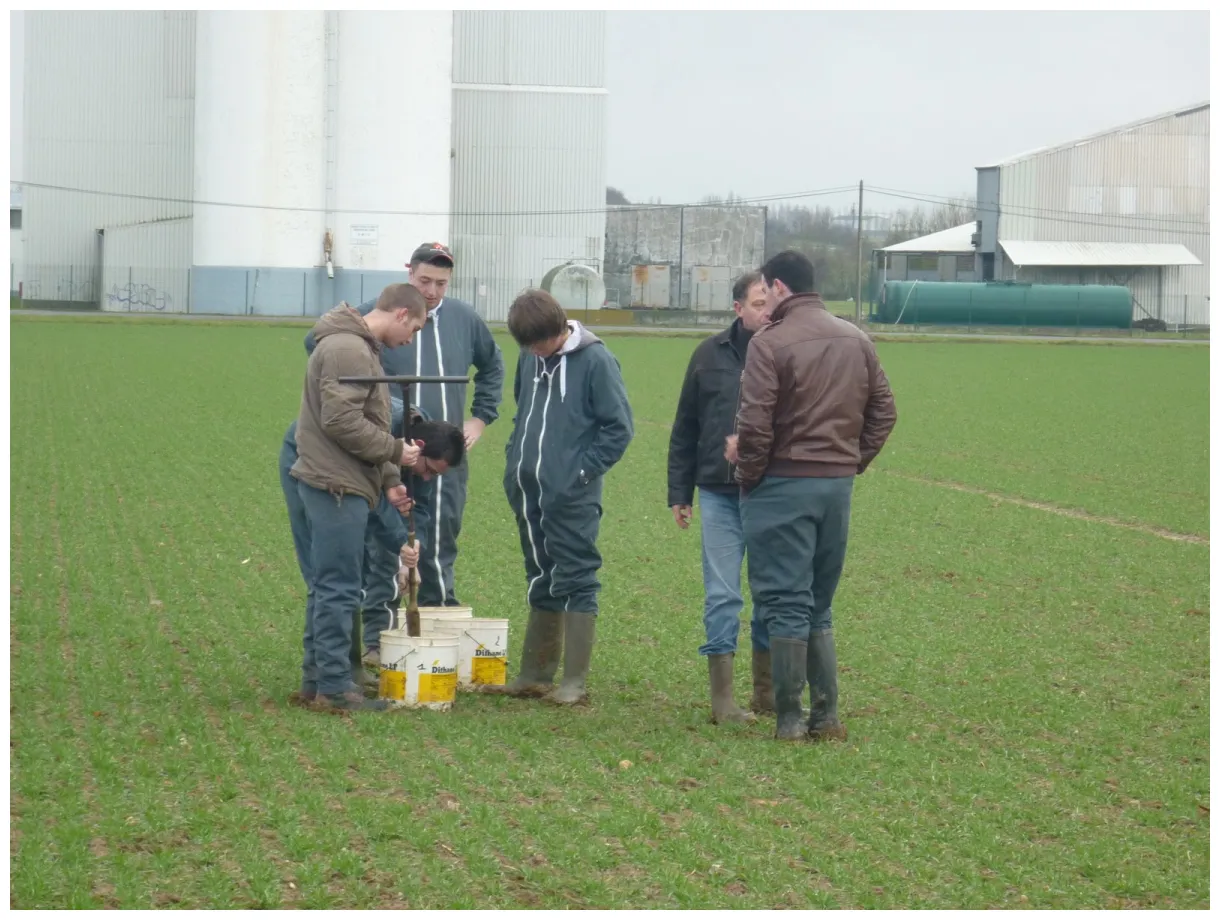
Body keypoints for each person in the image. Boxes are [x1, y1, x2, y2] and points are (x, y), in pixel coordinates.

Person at [308, 242, 505, 672]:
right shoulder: (373, 315)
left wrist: (479, 419)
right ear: (408, 275)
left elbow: (493, 366)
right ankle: (377, 637)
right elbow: (321, 352)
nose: (432, 291)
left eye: (441, 284)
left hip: (442, 456)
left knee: (437, 537)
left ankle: (436, 625)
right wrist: (389, 412)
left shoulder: (464, 318)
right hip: (384, 449)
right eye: (425, 281)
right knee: (381, 543)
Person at [731, 250, 897, 741]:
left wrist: (749, 476)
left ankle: (789, 719)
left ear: (778, 286)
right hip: (835, 487)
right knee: (818, 603)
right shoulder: (856, 338)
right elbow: (884, 412)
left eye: (766, 289)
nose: (765, 298)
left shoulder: (769, 343)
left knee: (785, 601)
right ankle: (826, 717)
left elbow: (755, 424)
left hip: (783, 484)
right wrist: (851, 461)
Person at [288, 284, 434, 712]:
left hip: (341, 478)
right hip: (336, 483)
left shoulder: (355, 346)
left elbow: (367, 419)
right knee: (339, 587)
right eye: (415, 328)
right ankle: (335, 688)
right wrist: (395, 451)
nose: (411, 339)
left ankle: (316, 681)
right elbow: (342, 422)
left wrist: (389, 476)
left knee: (327, 585)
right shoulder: (348, 349)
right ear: (401, 313)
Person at [494, 289, 633, 705]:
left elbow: (618, 428)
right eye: (528, 346)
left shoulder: (596, 361)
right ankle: (534, 674)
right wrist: (514, 461)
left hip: (572, 494)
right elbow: (523, 410)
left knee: (576, 576)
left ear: (559, 328)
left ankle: (573, 682)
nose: (535, 351)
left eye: (541, 343)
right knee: (540, 573)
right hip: (526, 488)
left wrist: (580, 474)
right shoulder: (529, 356)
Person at [279, 410, 467, 703]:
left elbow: (418, 506)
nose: (427, 477)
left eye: (436, 475)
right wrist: (400, 545)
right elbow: (375, 502)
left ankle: (340, 673)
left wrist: (412, 552)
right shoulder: (380, 431)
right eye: (429, 469)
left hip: (355, 473)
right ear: (417, 446)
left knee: (347, 572)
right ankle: (327, 679)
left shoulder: (430, 442)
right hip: (308, 460)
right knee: (330, 572)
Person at [667, 271, 774, 725]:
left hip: (771, 492)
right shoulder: (708, 355)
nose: (766, 312)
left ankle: (768, 692)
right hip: (717, 492)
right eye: (758, 304)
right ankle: (723, 701)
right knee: (723, 594)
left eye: (770, 303)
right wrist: (680, 491)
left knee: (771, 593)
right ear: (738, 308)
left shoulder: (787, 352)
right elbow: (685, 426)